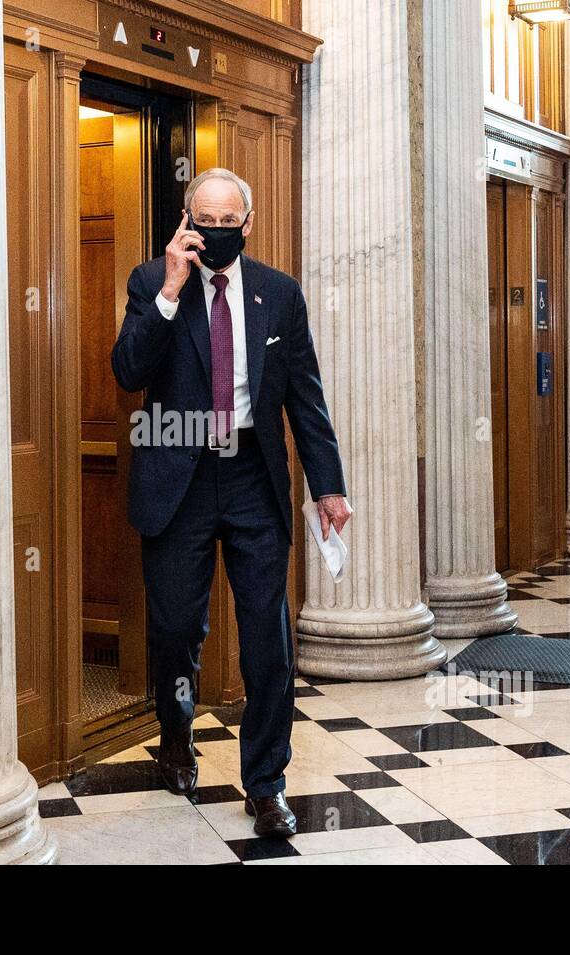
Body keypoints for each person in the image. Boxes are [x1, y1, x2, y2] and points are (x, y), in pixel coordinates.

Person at [111, 167, 351, 837]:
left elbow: (306, 395)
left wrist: (327, 486)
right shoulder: (150, 282)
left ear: (248, 224)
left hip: (252, 476)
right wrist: (168, 291)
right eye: (203, 222)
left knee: (268, 638)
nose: (216, 233)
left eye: (227, 222)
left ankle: (267, 783)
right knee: (176, 628)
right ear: (187, 223)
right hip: (177, 481)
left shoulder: (278, 294)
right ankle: (176, 738)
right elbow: (127, 370)